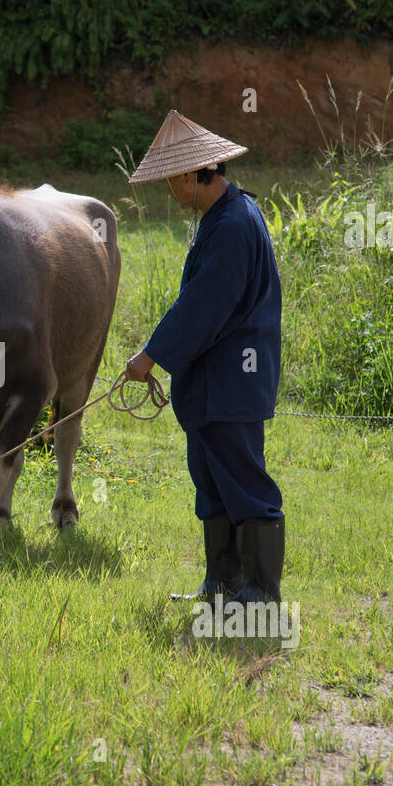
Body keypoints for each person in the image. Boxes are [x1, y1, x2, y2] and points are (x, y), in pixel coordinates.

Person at [123, 111, 284, 606]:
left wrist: (150, 356)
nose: (170, 190)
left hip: (233, 379)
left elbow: (202, 308)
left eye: (173, 179)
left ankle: (260, 593)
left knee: (244, 482)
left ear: (197, 174)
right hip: (214, 381)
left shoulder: (234, 224)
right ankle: (223, 582)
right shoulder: (222, 218)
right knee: (211, 480)